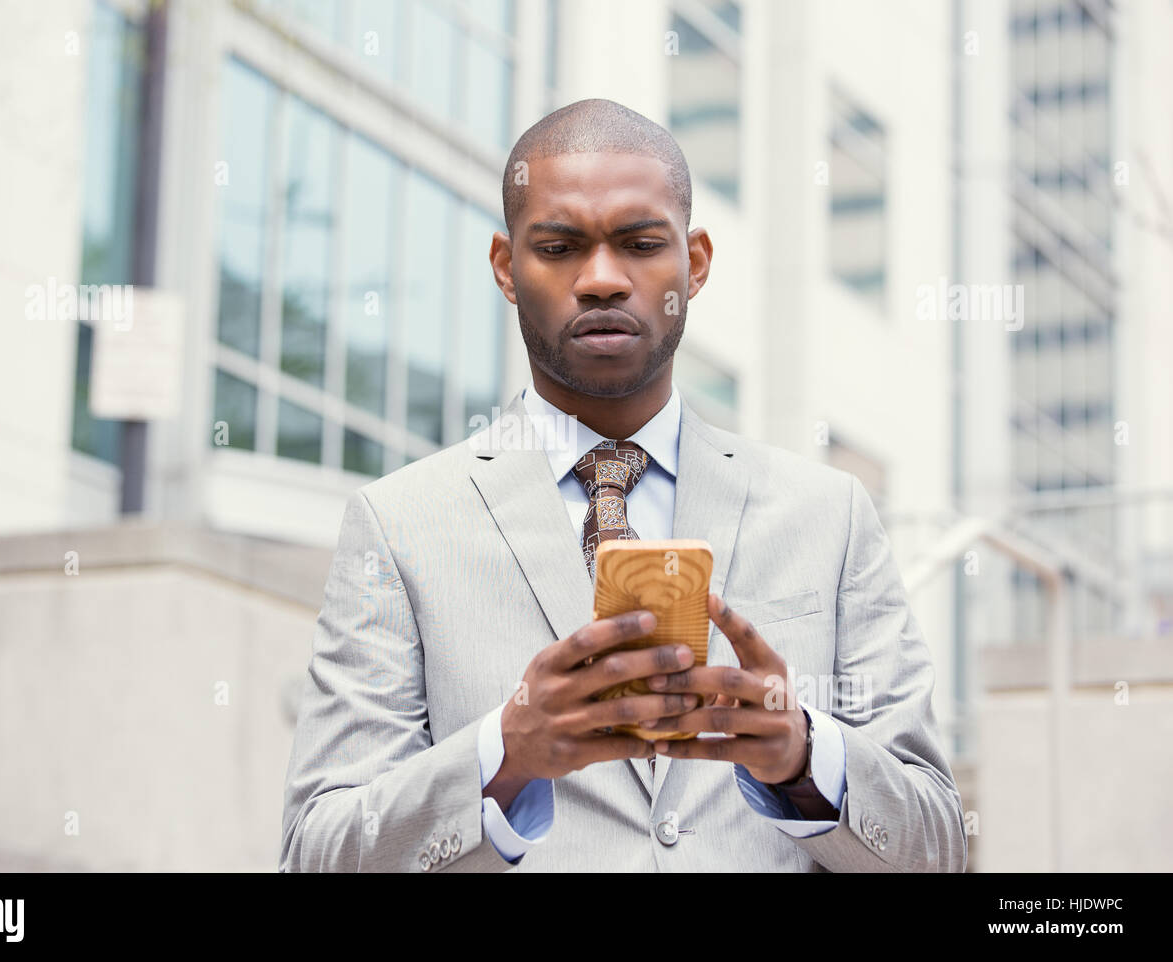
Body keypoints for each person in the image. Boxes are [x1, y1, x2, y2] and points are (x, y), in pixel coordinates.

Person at [279, 98, 966, 872]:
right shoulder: (397, 524)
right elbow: (318, 853)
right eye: (560, 246)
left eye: (640, 244)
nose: (602, 279)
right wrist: (502, 755)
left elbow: (937, 848)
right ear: (507, 267)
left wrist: (807, 756)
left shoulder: (829, 516)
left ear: (695, 262)